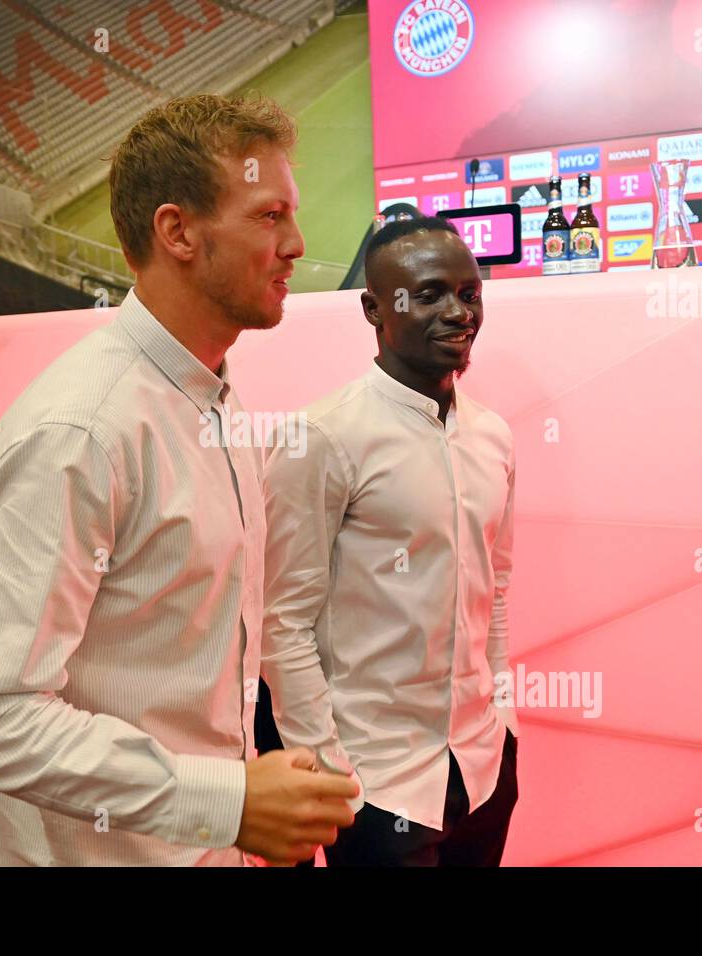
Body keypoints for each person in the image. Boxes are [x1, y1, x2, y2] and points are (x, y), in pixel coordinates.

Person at [0, 93, 357, 866]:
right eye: (269, 216)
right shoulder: (78, 431)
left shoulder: (219, 403)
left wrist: (251, 795)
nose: (298, 243)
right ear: (178, 232)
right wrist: (227, 802)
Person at [261, 215, 520, 866]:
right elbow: (283, 622)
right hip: (376, 784)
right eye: (429, 294)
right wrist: (325, 767)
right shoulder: (322, 437)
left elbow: (498, 586)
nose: (458, 311)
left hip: (483, 767)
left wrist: (506, 719)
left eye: (469, 293)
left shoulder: (494, 437)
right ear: (374, 309)